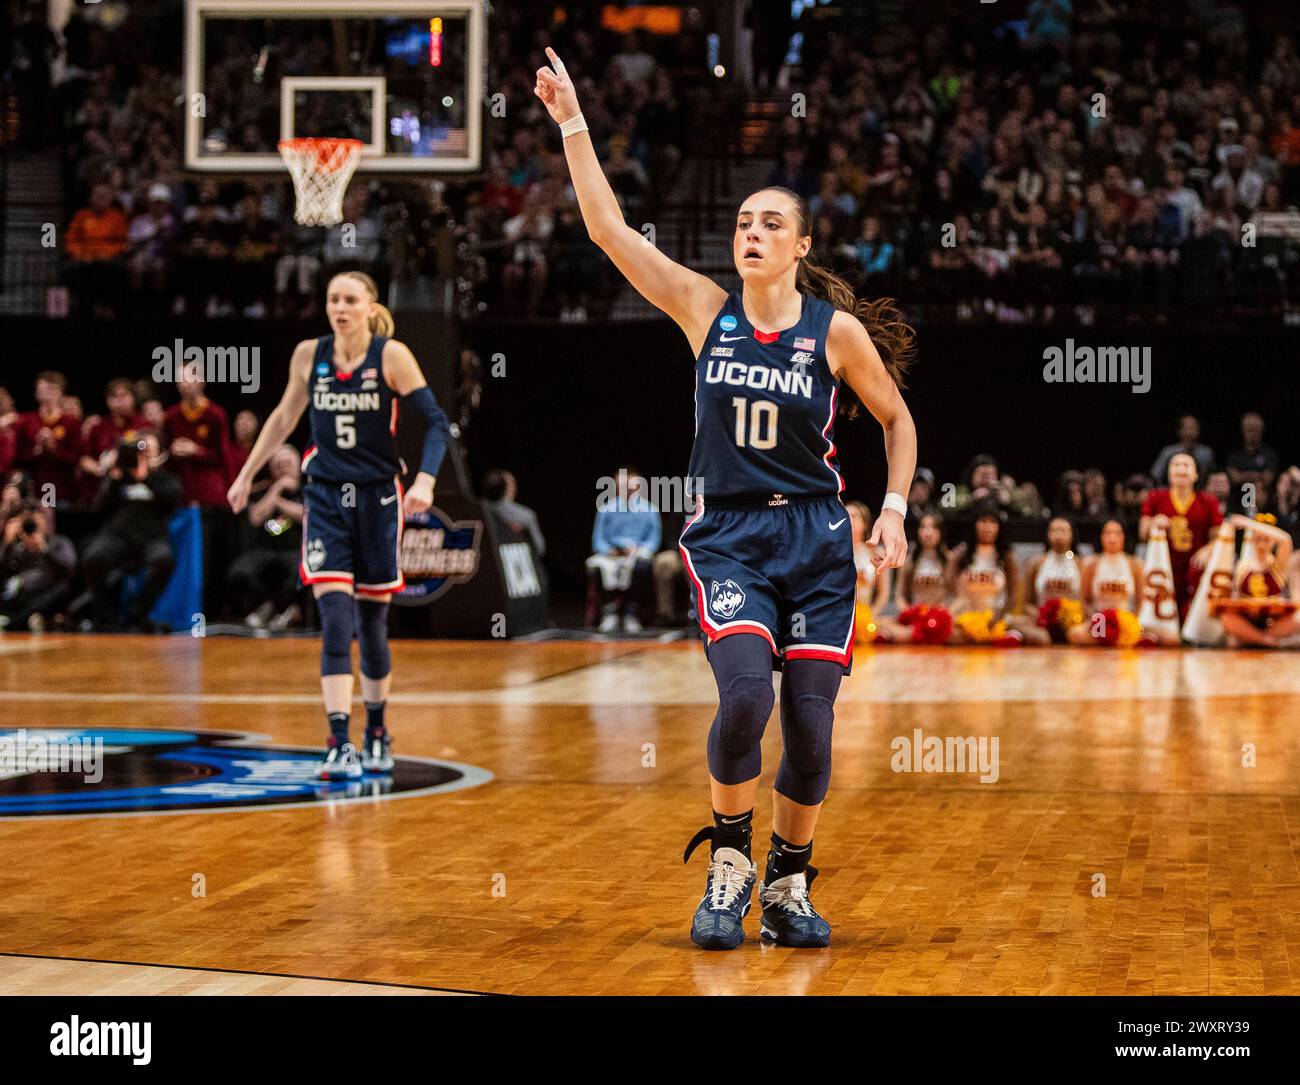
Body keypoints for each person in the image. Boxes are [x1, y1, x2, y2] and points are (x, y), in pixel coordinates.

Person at [535, 47, 917, 949]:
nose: (751, 230)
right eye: (744, 220)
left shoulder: (837, 333)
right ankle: (730, 862)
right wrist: (573, 125)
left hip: (820, 542)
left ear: (801, 245)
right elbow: (610, 233)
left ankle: (787, 886)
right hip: (733, 539)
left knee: (812, 727)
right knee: (746, 697)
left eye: (770, 222)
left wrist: (894, 508)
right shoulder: (706, 309)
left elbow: (897, 423)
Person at [227, 270, 451, 781]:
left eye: (350, 299)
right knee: (334, 619)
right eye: (333, 299)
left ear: (370, 306)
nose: (340, 307)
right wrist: (246, 475)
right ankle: (337, 740)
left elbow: (437, 422)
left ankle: (377, 729)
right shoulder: (310, 353)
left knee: (372, 623)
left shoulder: (391, 356)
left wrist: (427, 481)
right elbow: (284, 417)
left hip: (377, 499)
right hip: (325, 496)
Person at [81, 432, 184, 632]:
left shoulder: (164, 478)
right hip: (118, 537)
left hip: (151, 539)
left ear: (158, 454)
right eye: (140, 449)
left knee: (164, 560)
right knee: (93, 558)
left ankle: (139, 613)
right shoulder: (120, 478)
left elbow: (173, 501)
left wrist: (146, 478)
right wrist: (114, 479)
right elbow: (99, 509)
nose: (142, 454)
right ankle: (105, 618)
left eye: (148, 450)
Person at [226, 445, 304, 630]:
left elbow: (306, 515)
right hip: (265, 550)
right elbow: (256, 517)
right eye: (279, 465)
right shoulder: (262, 490)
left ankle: (280, 610)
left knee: (299, 573)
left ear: (298, 466)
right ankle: (269, 607)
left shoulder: (308, 490)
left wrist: (279, 503)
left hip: (296, 551)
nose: (283, 468)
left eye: (287, 463)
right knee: (239, 572)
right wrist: (276, 489)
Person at [1139, 452, 1221, 620]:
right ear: (1169, 473)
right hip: (1164, 567)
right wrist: (1154, 522)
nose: (1181, 469)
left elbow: (1217, 538)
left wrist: (1207, 549)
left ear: (1196, 474)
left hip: (1194, 568)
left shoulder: (1208, 501)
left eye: (1186, 465)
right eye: (1176, 465)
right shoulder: (1156, 498)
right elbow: (1143, 533)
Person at [587, 468, 660, 634]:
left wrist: (637, 549)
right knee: (598, 567)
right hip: (612, 555)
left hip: (636, 554)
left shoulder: (649, 510)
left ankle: (630, 613)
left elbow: (653, 540)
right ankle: (610, 612)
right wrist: (609, 550)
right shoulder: (606, 509)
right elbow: (598, 539)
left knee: (641, 567)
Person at [1219, 514, 1296, 648]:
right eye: (1258, 539)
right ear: (1253, 541)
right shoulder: (1243, 566)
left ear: (1273, 543)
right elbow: (1235, 597)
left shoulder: (1278, 565)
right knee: (1226, 618)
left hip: (1272, 621)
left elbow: (1285, 539)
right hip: (1249, 619)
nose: (1261, 545)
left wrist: (1247, 523)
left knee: (1298, 619)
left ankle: (1252, 638)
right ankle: (1267, 641)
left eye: (1266, 540)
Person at [0, 500, 76, 632]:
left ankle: (14, 622)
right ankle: (26, 620)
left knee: (62, 588)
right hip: (18, 595)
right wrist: (7, 545)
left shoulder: (59, 542)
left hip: (45, 595)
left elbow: (69, 570)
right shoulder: (16, 547)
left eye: (34, 518)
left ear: (44, 520)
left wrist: (44, 549)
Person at [1149, 415, 1216, 485]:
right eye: (1187, 428)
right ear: (1179, 431)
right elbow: (1155, 475)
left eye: (1194, 428)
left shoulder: (1206, 453)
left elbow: (1212, 476)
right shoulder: (1168, 452)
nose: (1190, 432)